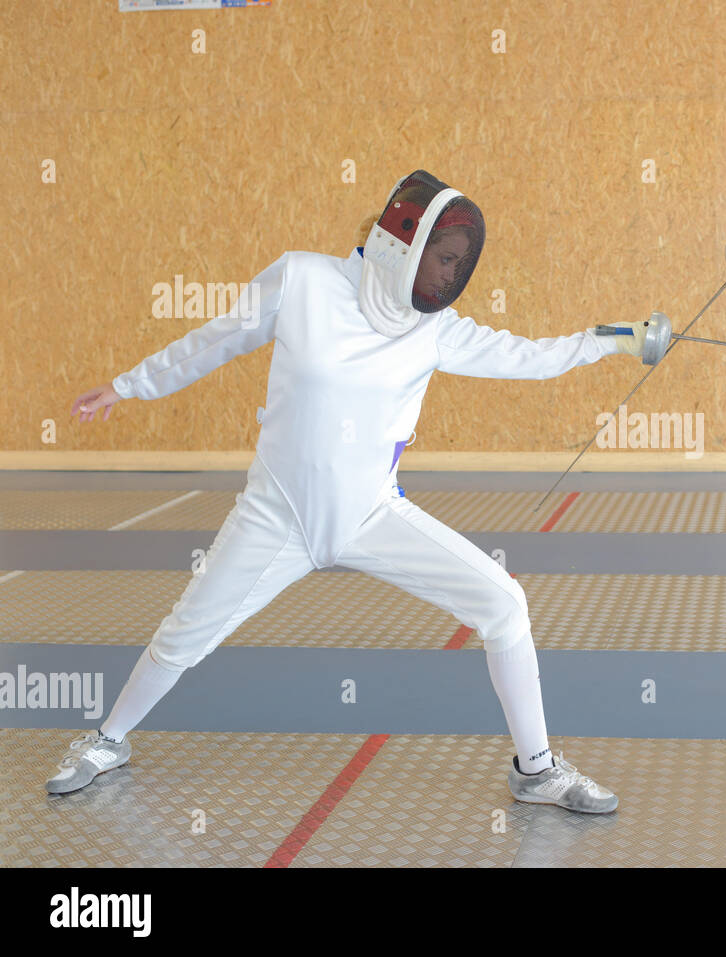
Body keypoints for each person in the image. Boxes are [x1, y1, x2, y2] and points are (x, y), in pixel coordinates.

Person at [48, 170, 654, 814]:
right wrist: (129, 385)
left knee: (504, 603)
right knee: (185, 634)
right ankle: (107, 739)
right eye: (442, 259)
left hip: (371, 514)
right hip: (276, 512)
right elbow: (218, 339)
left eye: (458, 264)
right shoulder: (303, 280)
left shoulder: (434, 329)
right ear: (403, 242)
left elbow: (529, 356)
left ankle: (535, 772)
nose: (448, 277)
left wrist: (613, 341)